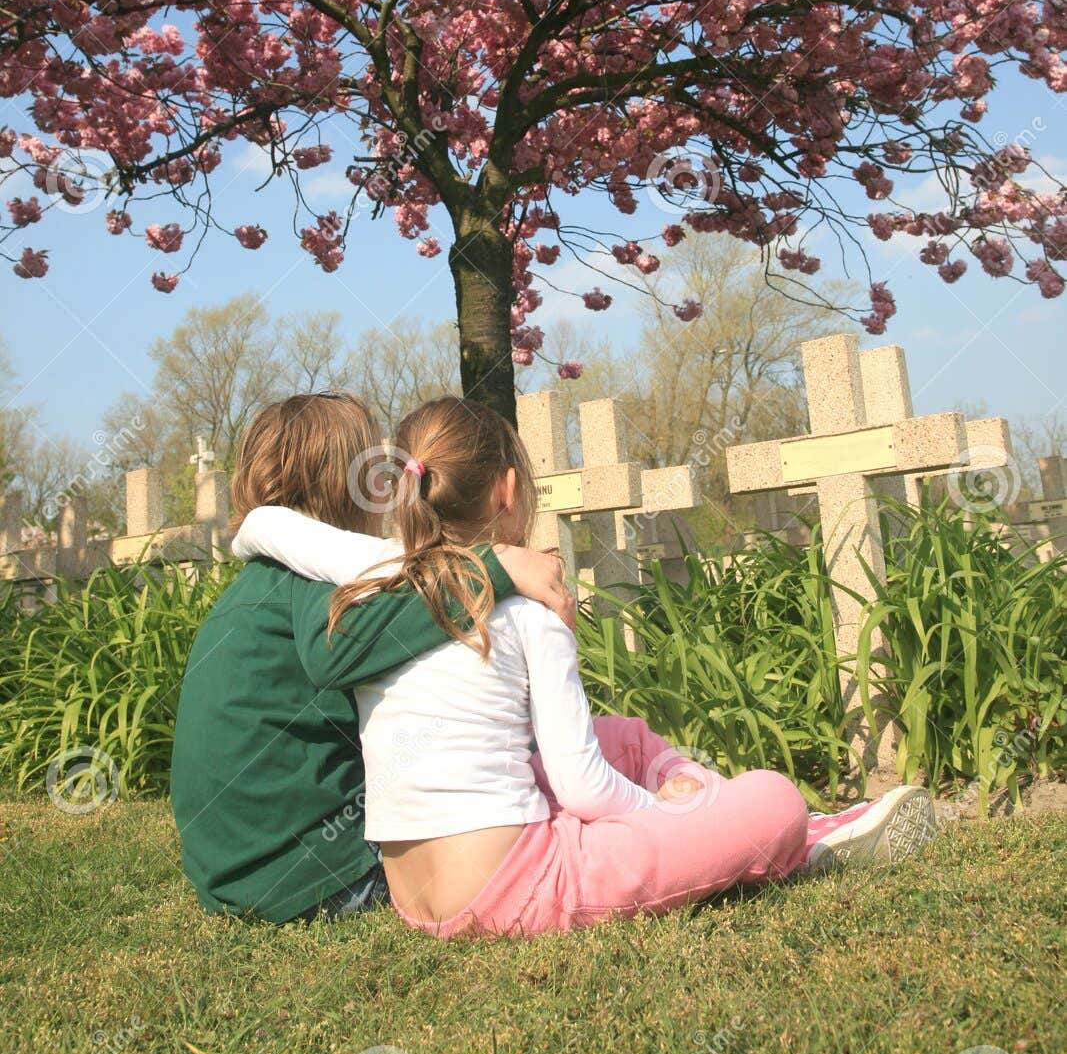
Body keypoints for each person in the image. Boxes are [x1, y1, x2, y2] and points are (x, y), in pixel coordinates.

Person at [232, 396, 937, 938]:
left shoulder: (380, 584)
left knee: (623, 735)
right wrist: (654, 818)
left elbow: (270, 525)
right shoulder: (530, 608)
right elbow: (582, 787)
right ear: (506, 492)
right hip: (507, 885)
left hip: (414, 893)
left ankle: (725, 810)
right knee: (774, 800)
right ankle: (788, 830)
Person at [170, 392, 573, 924]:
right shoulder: (314, 582)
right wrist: (489, 572)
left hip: (236, 873)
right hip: (308, 879)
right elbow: (336, 654)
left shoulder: (262, 581)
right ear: (349, 486)